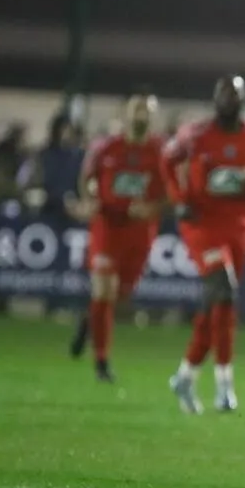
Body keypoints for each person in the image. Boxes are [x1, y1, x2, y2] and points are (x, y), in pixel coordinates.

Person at [161, 75, 245, 413]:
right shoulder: (195, 133)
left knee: (216, 305)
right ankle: (224, 385)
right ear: (215, 99)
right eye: (224, 95)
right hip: (202, 224)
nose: (228, 101)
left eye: (235, 95)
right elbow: (167, 161)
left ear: (243, 100)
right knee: (225, 291)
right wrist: (178, 198)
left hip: (237, 225)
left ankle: (185, 376)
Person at [70, 89, 166, 382]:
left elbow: (173, 193)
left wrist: (151, 207)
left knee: (118, 297)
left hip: (139, 232)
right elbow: (87, 179)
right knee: (103, 290)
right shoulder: (106, 148)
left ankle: (89, 322)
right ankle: (102, 362)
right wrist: (89, 199)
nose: (141, 115)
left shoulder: (161, 152)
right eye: (137, 109)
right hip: (107, 226)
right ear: (125, 113)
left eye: (146, 110)